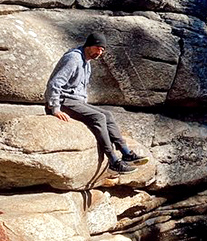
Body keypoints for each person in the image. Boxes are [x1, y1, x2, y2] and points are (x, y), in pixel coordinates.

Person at [45, 32, 148, 174]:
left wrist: (84, 107)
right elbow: (54, 83)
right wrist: (55, 109)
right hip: (63, 102)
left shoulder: (86, 62)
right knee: (98, 117)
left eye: (102, 50)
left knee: (107, 115)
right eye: (97, 48)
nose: (99, 52)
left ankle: (126, 153)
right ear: (88, 45)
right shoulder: (73, 59)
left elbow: (79, 90)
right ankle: (113, 161)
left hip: (75, 102)